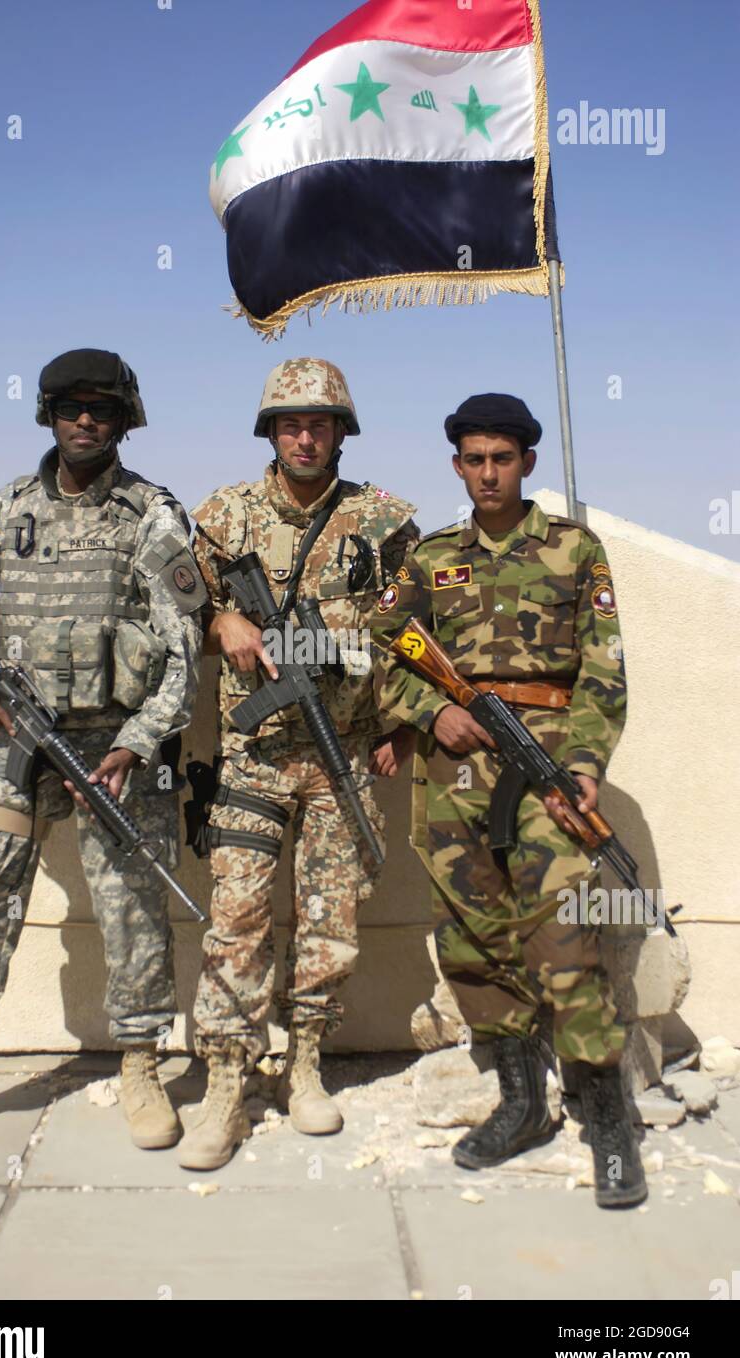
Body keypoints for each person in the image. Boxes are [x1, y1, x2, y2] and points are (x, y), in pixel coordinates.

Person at [0, 349, 206, 1161]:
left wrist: (138, 743)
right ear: (49, 414)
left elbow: (182, 649)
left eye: (101, 408)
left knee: (134, 912)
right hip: (12, 747)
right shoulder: (7, 508)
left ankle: (140, 1065)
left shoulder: (150, 514)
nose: (85, 420)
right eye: (70, 406)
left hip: (113, 755)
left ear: (124, 418)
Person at [372, 392, 647, 1209]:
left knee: (564, 931)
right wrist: (434, 711)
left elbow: (605, 666)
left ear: (526, 462)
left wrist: (588, 762)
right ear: (456, 465)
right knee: (470, 936)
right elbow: (384, 655)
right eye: (472, 459)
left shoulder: (572, 548)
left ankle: (605, 1119)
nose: (486, 472)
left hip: (551, 760)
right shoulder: (430, 556)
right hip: (456, 769)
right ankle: (521, 1102)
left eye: (501, 457)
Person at [178, 358, 419, 1170]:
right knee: (237, 921)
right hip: (252, 758)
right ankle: (226, 1080)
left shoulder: (383, 522)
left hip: (342, 756)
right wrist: (223, 627)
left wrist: (401, 729)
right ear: (271, 433)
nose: (305, 437)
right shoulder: (224, 516)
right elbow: (176, 598)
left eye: (319, 424)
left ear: (341, 433)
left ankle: (306, 1062)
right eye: (291, 424)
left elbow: (407, 635)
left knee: (330, 922)